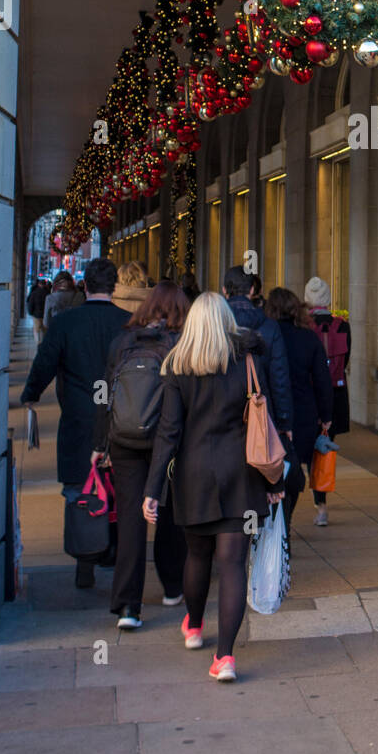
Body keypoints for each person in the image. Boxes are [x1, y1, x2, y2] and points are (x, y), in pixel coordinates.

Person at [142, 292, 285, 682]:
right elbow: (264, 421)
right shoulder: (249, 361)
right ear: (226, 322)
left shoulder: (177, 366)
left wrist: (152, 488)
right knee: (233, 564)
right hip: (243, 475)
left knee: (197, 555)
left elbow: (168, 433)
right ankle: (225, 657)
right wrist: (276, 480)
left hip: (194, 476)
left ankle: (193, 624)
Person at [20, 258, 130, 588]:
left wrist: (31, 394)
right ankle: (113, 552)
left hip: (80, 416)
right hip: (121, 418)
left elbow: (45, 363)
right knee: (119, 486)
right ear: (114, 287)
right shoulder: (129, 324)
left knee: (79, 489)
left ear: (86, 285)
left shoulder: (66, 323)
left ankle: (85, 558)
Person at [91, 280, 189, 630]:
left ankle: (128, 607)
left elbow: (103, 392)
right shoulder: (180, 345)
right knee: (168, 512)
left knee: (131, 521)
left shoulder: (122, 342)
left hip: (126, 440)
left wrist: (101, 443)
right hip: (169, 442)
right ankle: (172, 586)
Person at [265, 288, 333, 528]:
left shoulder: (265, 336)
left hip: (271, 415)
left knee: (272, 470)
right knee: (294, 470)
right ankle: (285, 520)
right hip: (303, 414)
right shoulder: (308, 338)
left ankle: (276, 523)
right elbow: (323, 380)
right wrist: (326, 416)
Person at [222, 266, 293, 440]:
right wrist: (284, 420)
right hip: (261, 412)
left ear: (224, 291)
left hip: (221, 412)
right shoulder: (270, 326)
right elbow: (279, 377)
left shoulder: (215, 324)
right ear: (252, 290)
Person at [303, 276, 351, 525]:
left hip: (309, 395)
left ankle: (319, 501)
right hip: (336, 394)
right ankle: (321, 501)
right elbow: (347, 361)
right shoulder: (342, 326)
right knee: (325, 447)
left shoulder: (303, 326)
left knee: (312, 450)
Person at [26, 278, 50, 345]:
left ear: (39, 284)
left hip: (36, 314)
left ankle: (38, 342)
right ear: (45, 285)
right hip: (45, 315)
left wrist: (30, 312)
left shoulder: (34, 293)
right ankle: (44, 342)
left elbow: (31, 304)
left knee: (36, 330)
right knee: (44, 330)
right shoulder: (48, 293)